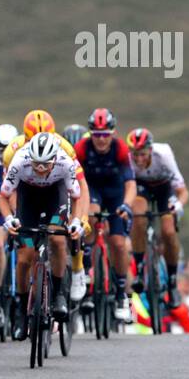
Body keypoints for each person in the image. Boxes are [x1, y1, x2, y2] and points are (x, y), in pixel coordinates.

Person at [0, 132, 88, 338]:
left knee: (57, 239)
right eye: (36, 164)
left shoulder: (65, 163)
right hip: (28, 198)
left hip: (55, 196)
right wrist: (8, 219)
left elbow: (76, 197)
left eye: (45, 164)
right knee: (24, 257)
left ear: (54, 159)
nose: (40, 169)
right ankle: (21, 310)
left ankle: (58, 295)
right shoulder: (20, 161)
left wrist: (76, 221)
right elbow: (2, 198)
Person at [74, 108, 135, 322]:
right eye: (97, 135)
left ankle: (120, 293)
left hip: (115, 193)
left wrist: (127, 205)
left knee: (118, 243)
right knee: (91, 216)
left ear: (113, 133)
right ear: (91, 133)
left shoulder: (120, 149)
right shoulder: (81, 148)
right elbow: (73, 182)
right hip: (91, 190)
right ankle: (87, 264)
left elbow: (130, 184)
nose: (101, 140)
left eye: (105, 135)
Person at [127, 128, 188, 308]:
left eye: (143, 154)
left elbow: (182, 191)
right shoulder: (128, 160)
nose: (139, 159)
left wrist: (178, 205)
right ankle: (139, 270)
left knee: (169, 232)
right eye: (135, 154)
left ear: (151, 150)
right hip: (141, 187)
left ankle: (172, 282)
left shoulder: (165, 155)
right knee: (138, 217)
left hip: (164, 188)